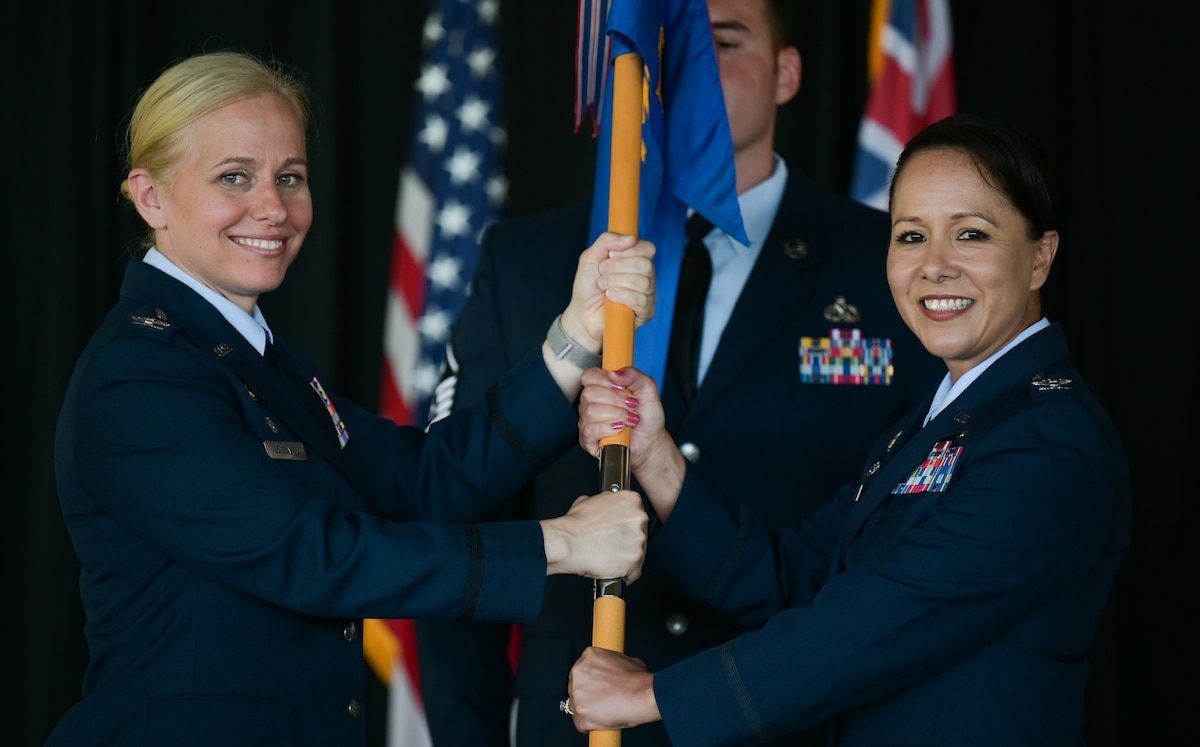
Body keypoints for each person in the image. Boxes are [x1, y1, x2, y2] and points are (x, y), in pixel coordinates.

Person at [46, 49, 658, 747]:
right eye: (234, 177)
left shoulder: (249, 356)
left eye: (291, 177)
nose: (272, 207)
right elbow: (310, 553)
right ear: (150, 196)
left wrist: (575, 336)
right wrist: (562, 543)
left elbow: (422, 479)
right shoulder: (139, 374)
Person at [413, 0, 943, 745]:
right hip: (575, 723)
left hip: (785, 721)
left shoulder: (884, 261)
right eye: (665, 47)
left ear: (787, 74)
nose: (687, 69)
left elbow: (904, 549)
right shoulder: (531, 263)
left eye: (721, 43)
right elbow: (457, 519)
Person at [567, 113, 1132, 746]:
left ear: (1039, 259)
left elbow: (874, 625)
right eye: (911, 236)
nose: (935, 267)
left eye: (971, 235)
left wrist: (651, 696)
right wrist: (655, 457)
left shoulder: (1049, 442)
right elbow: (800, 581)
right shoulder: (931, 425)